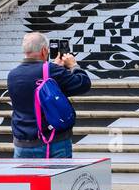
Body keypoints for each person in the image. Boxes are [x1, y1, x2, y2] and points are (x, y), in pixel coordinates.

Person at [8, 31, 91, 159]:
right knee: (59, 178)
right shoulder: (52, 71)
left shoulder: (12, 75)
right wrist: (73, 65)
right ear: (44, 51)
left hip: (22, 143)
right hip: (53, 142)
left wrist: (54, 67)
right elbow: (83, 84)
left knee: (27, 179)